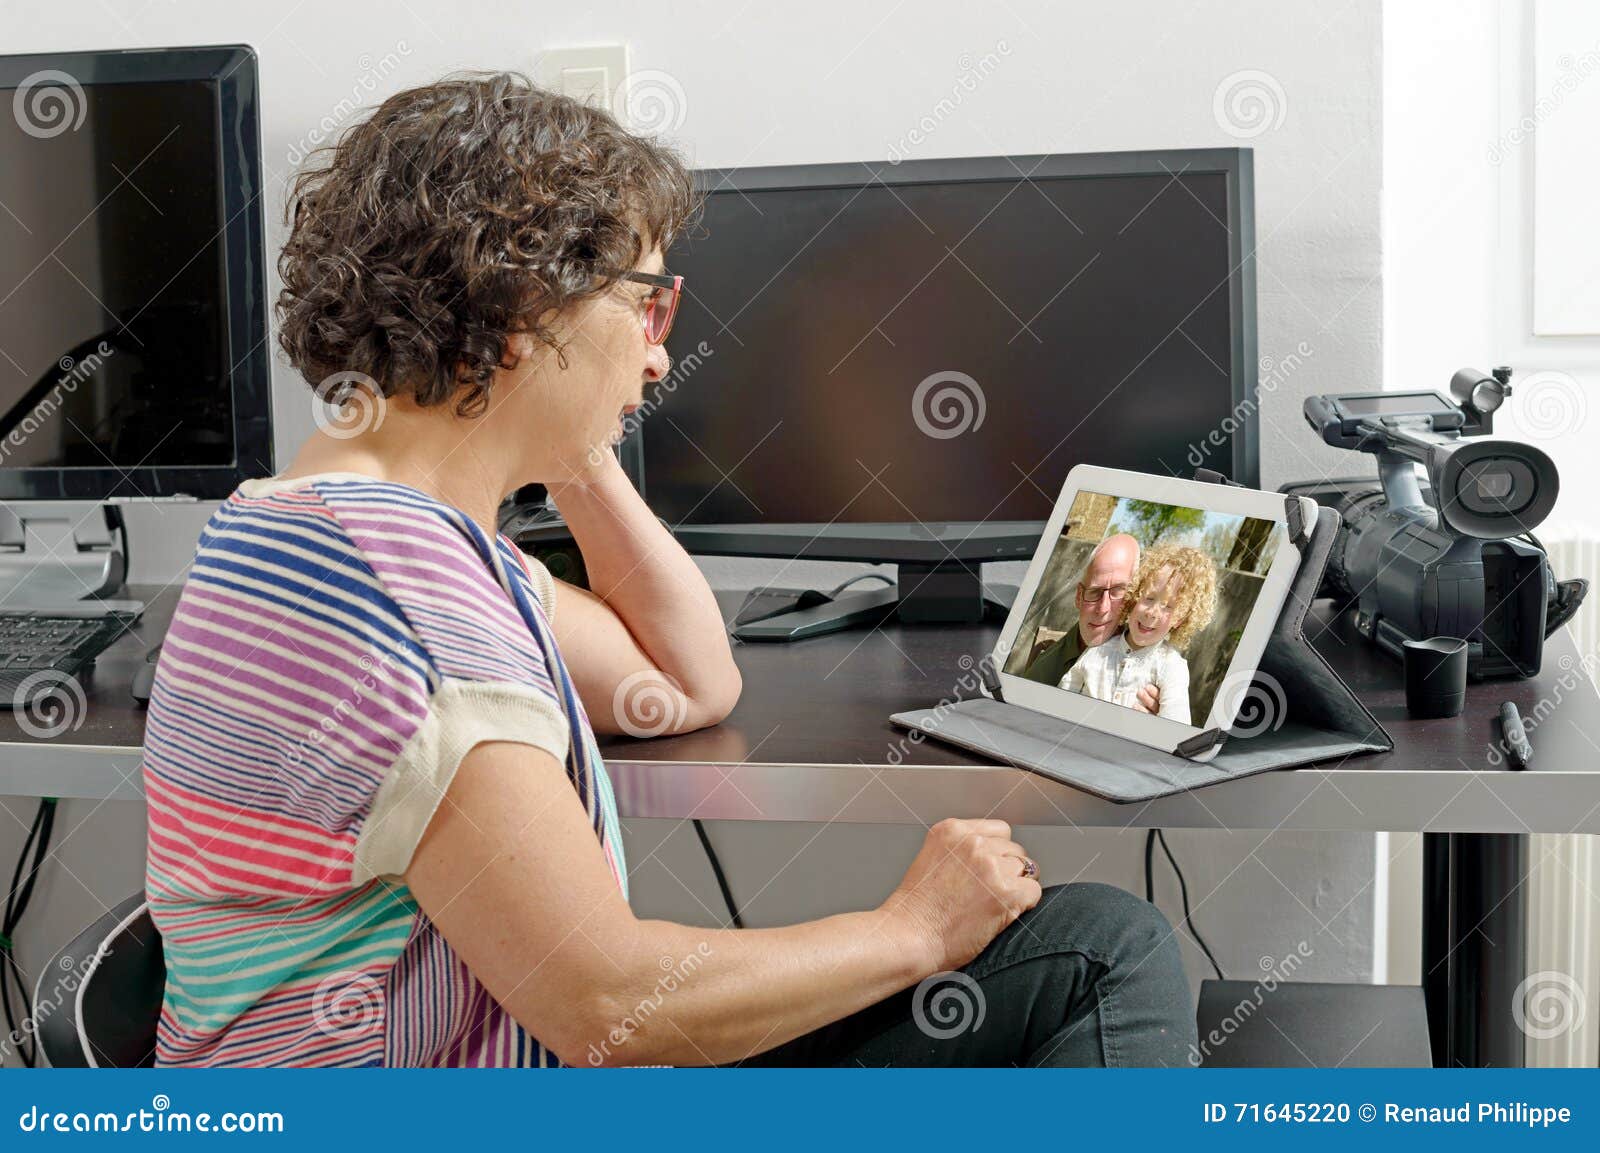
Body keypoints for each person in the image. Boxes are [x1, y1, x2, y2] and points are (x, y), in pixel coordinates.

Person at [139, 73, 1195, 1068]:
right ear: (525, 307)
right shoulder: (416, 608)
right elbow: (606, 1010)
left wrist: (561, 431)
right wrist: (911, 932)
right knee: (1100, 954)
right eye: (646, 305)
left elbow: (688, 683)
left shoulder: (312, 525)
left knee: (1095, 939)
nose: (658, 356)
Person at [1061, 543, 1218, 725]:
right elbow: (1063, 693)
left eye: (1168, 607)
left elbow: (1174, 725)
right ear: (1135, 596)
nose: (1152, 612)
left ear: (1180, 620)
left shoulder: (1171, 667)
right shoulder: (1099, 650)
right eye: (1149, 598)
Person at [1020, 533, 1161, 715]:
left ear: (1134, 598)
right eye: (1095, 592)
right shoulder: (1045, 672)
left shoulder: (1155, 666)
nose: (1103, 608)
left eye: (1118, 591)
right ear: (1079, 596)